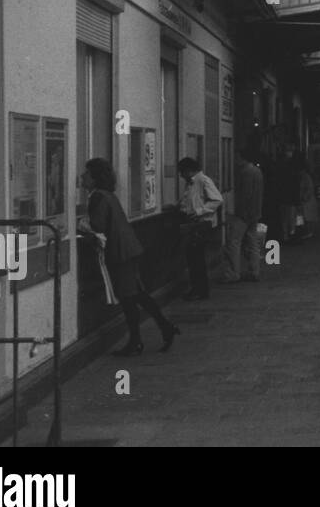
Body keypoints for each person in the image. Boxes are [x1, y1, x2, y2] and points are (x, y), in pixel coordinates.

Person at [79, 158, 178, 356]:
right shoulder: (108, 194)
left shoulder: (97, 197)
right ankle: (164, 328)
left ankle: (137, 341)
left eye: (87, 173)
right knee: (136, 294)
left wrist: (81, 226)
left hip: (119, 252)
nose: (82, 177)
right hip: (129, 249)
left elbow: (98, 226)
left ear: (95, 177)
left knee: (128, 298)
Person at [175, 157, 223, 301]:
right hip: (194, 224)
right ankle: (197, 288)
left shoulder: (203, 180)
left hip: (201, 224)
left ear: (189, 170)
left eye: (182, 172)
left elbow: (217, 199)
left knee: (197, 259)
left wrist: (200, 211)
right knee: (193, 258)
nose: (180, 175)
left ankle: (200, 290)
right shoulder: (191, 183)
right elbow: (188, 200)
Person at [221, 146, 264, 283]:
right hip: (255, 212)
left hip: (244, 214)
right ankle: (254, 271)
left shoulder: (245, 172)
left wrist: (240, 212)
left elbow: (245, 194)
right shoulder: (257, 171)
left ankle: (233, 274)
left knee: (233, 242)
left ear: (240, 156)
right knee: (253, 243)